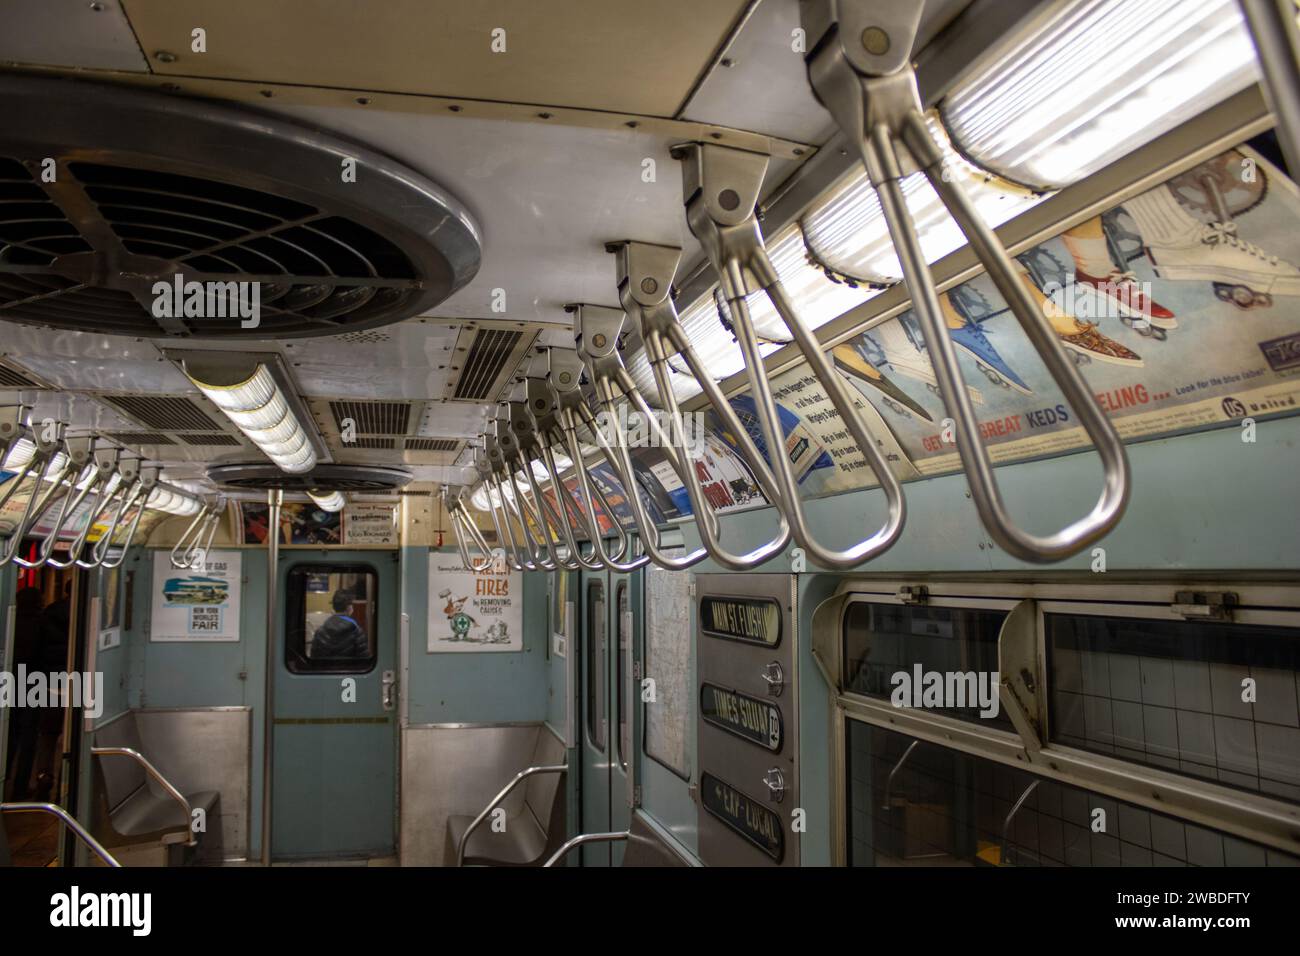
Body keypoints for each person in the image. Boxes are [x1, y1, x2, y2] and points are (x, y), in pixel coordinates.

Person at [311, 589, 367, 659]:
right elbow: (363, 660)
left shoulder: (320, 632)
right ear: (349, 607)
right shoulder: (357, 632)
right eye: (352, 604)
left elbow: (313, 659)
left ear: (334, 607)